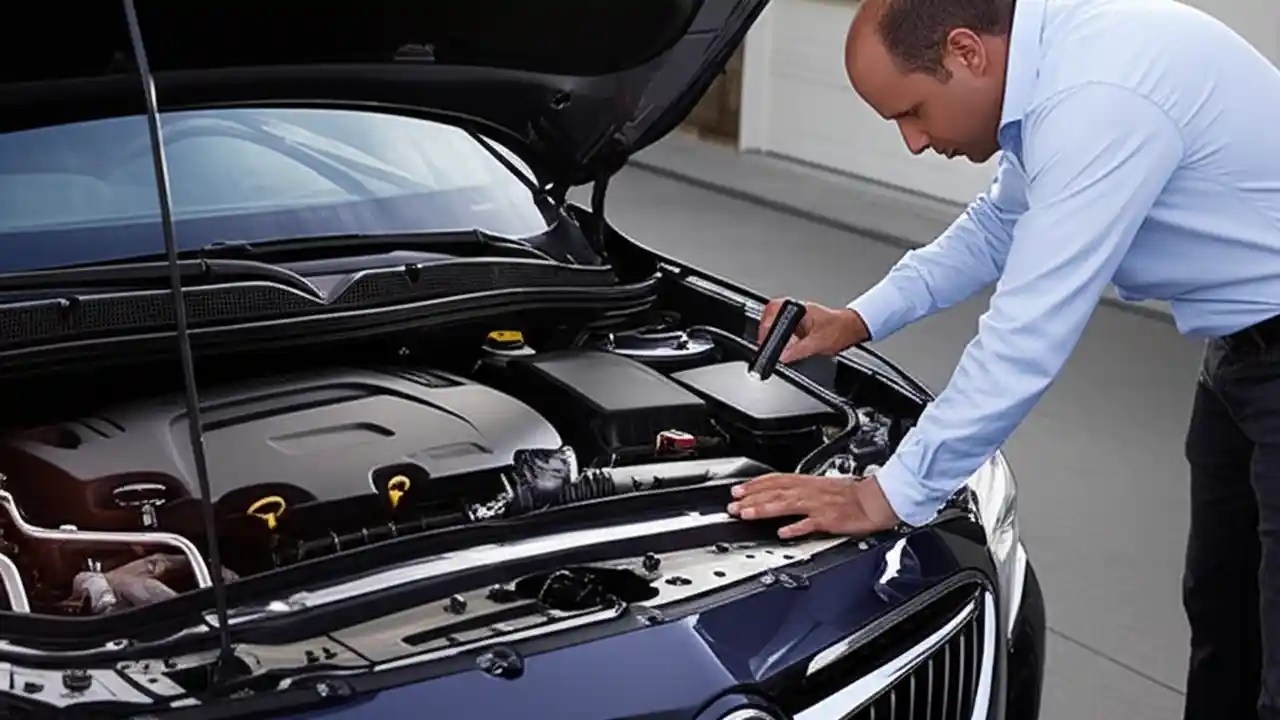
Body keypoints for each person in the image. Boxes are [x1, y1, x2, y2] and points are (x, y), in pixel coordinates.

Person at [726, 0, 1280, 716]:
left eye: (914, 111)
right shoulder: (1054, 63)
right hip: (1244, 349)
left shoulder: (1099, 97)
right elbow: (997, 227)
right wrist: (859, 319)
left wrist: (885, 493)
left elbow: (1026, 333)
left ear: (966, 52)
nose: (915, 143)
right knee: (1226, 618)